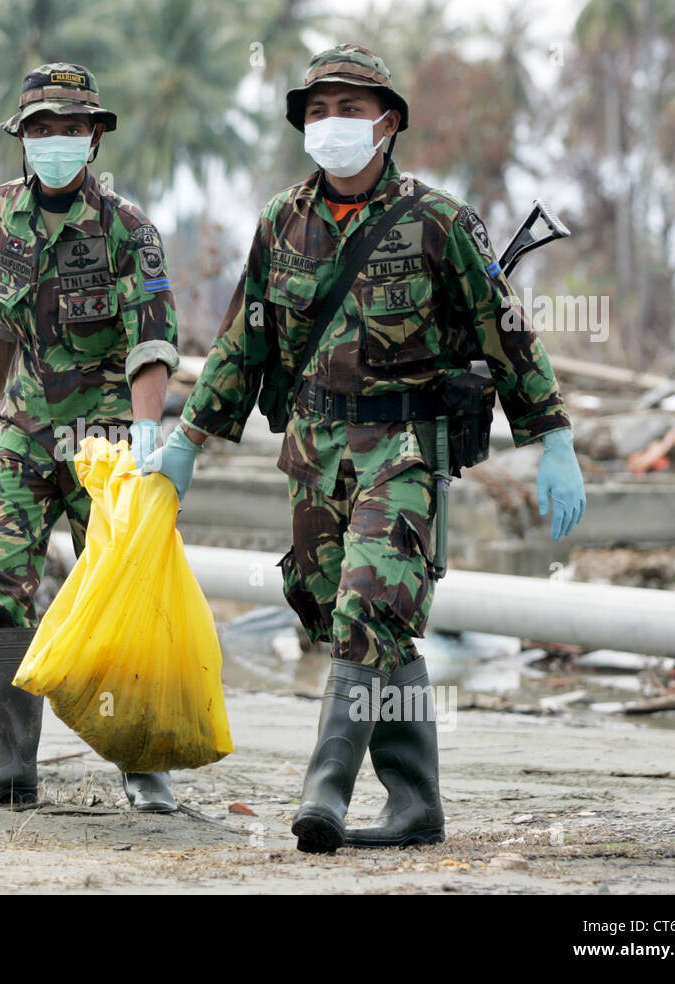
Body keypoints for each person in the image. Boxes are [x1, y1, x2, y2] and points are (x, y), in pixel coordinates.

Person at [144, 44, 586, 852]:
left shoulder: (439, 221)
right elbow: (244, 341)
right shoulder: (282, 220)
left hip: (404, 449)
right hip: (312, 453)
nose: (331, 123)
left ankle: (324, 796)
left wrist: (552, 436)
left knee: (367, 609)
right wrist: (189, 439)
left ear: (387, 122)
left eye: (349, 109)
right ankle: (417, 805)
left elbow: (505, 330)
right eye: (317, 110)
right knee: (338, 612)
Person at [0, 63, 181, 811]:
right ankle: (9, 764)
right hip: (22, 427)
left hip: (105, 438)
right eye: (40, 129)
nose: (55, 141)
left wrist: (146, 434)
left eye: (70, 129)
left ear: (94, 137)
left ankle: (143, 766)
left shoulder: (128, 229)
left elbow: (153, 339)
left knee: (118, 594)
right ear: (22, 138)